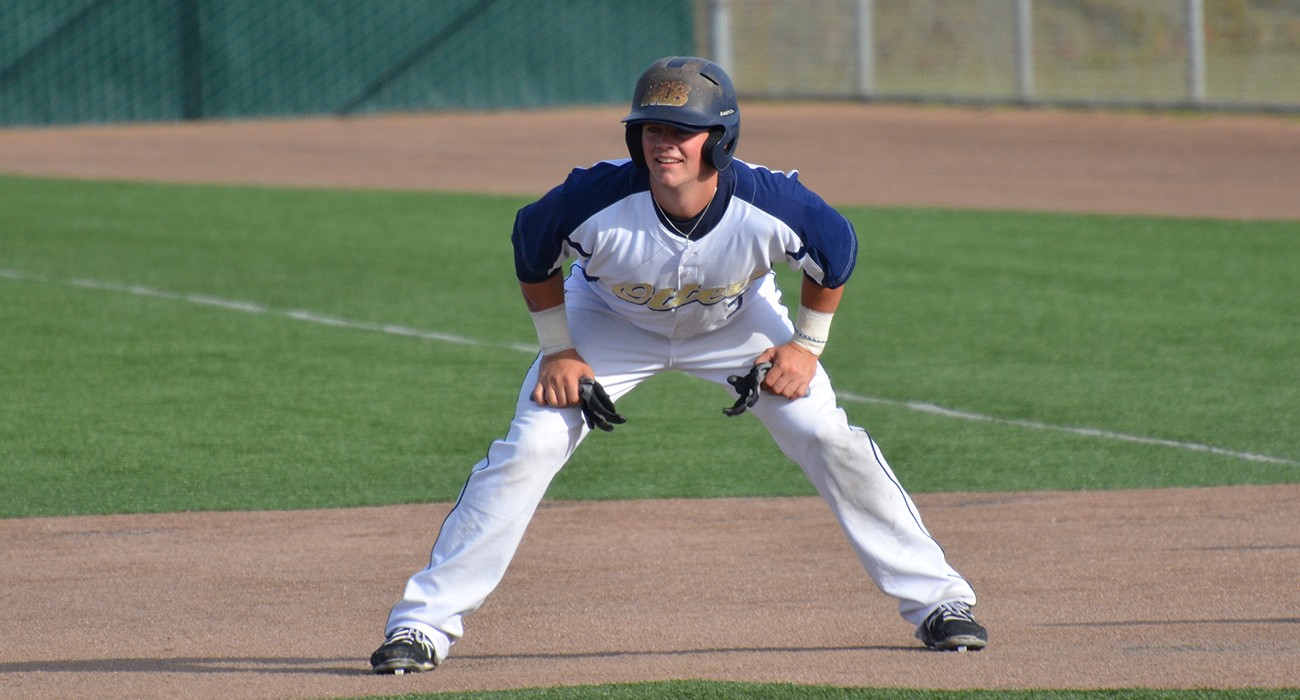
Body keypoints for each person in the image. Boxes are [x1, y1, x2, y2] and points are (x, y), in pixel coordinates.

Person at [370, 56, 987, 674]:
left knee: (824, 434)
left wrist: (805, 346)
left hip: (736, 324)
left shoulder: (771, 202)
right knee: (530, 446)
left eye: (681, 130)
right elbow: (533, 252)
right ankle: (421, 625)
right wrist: (560, 349)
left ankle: (940, 603)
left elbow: (837, 253)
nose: (664, 143)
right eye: (651, 129)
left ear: (719, 140)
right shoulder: (596, 196)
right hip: (608, 322)